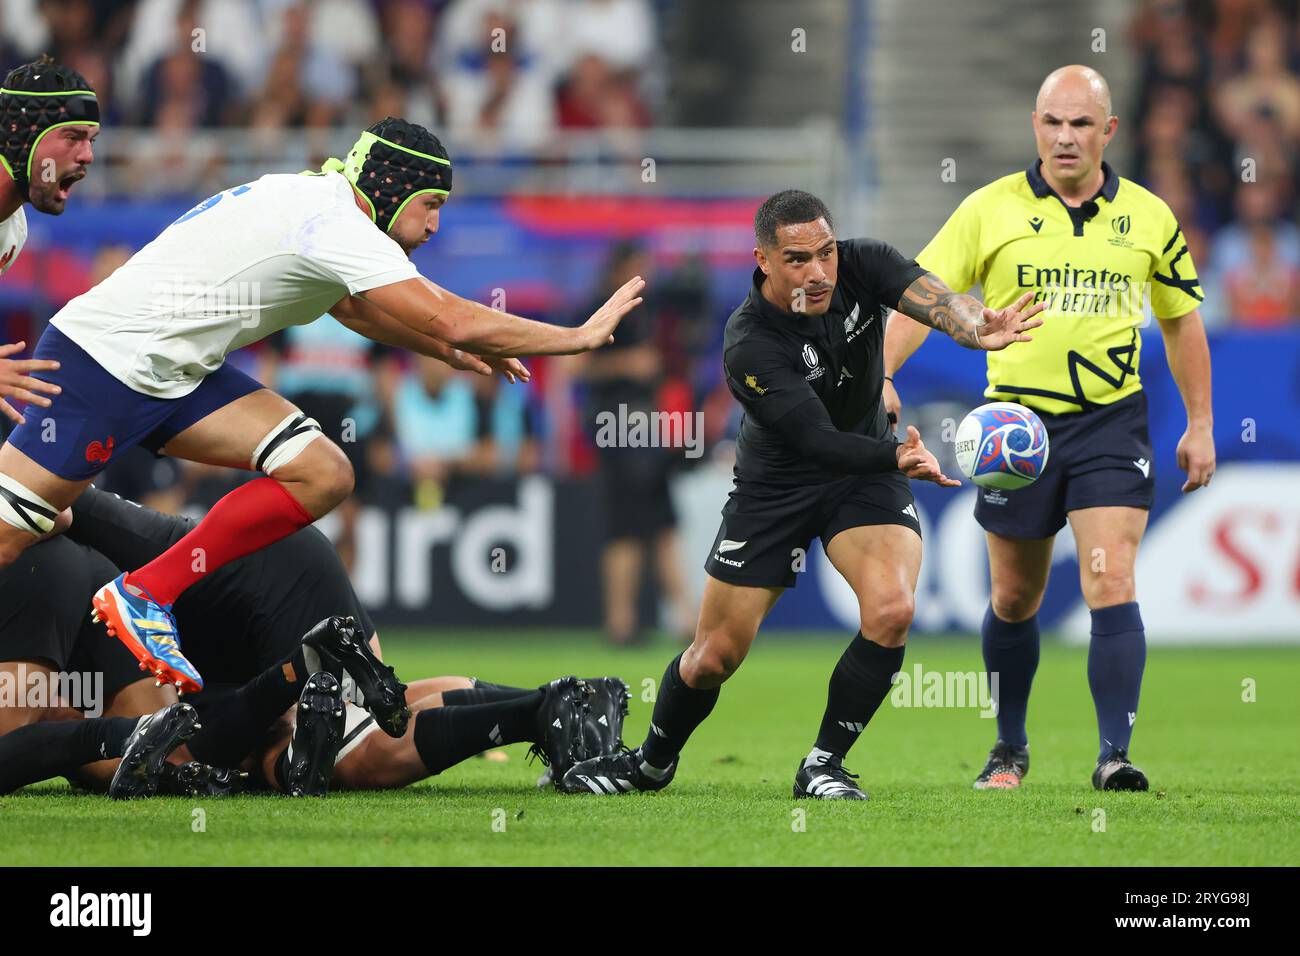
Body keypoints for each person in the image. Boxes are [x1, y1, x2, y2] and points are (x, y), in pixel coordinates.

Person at [0, 116, 644, 695]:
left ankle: (145, 592)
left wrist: (442, 351)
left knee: (322, 471)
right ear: (391, 187)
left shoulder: (322, 205)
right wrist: (575, 338)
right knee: (8, 538)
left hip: (173, 371)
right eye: (432, 204)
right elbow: (448, 316)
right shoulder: (336, 219)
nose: (436, 224)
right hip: (103, 363)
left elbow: (353, 307)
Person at [561, 188, 1043, 798]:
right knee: (713, 657)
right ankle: (650, 763)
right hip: (779, 486)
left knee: (892, 610)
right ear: (762, 259)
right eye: (796, 259)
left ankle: (823, 763)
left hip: (864, 474)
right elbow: (816, 440)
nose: (817, 273)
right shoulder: (749, 342)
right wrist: (897, 454)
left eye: (825, 253)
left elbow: (937, 300)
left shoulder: (863, 264)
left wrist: (979, 326)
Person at [882, 66, 1214, 792]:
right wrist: (882, 376)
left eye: (1082, 124)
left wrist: (1201, 422)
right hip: (1014, 430)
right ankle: (1008, 748)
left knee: (1112, 577)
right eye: (1053, 123)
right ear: (1036, 125)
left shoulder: (1151, 217)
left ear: (1109, 131)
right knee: (1012, 598)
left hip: (1111, 423)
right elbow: (920, 299)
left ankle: (1114, 756)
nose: (1066, 137)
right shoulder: (988, 209)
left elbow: (1182, 320)